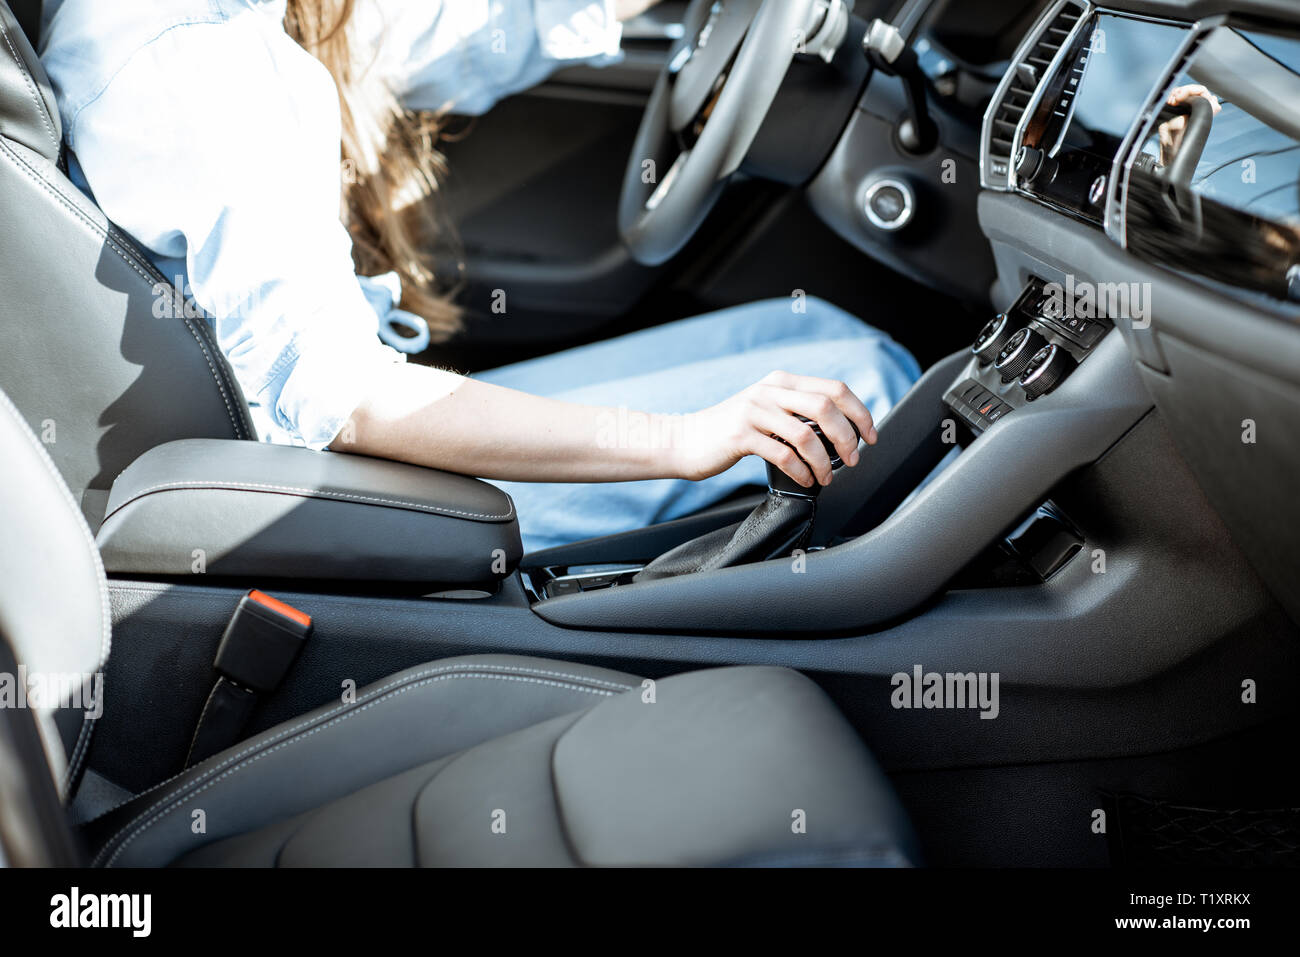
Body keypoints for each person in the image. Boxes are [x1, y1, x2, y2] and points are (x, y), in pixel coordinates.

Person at [39, 0, 921, 552]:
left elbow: (462, 33)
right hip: (319, 502)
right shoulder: (193, 57)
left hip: (314, 452)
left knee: (815, 343)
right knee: (864, 383)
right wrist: (684, 440)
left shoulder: (231, 20)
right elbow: (347, 400)